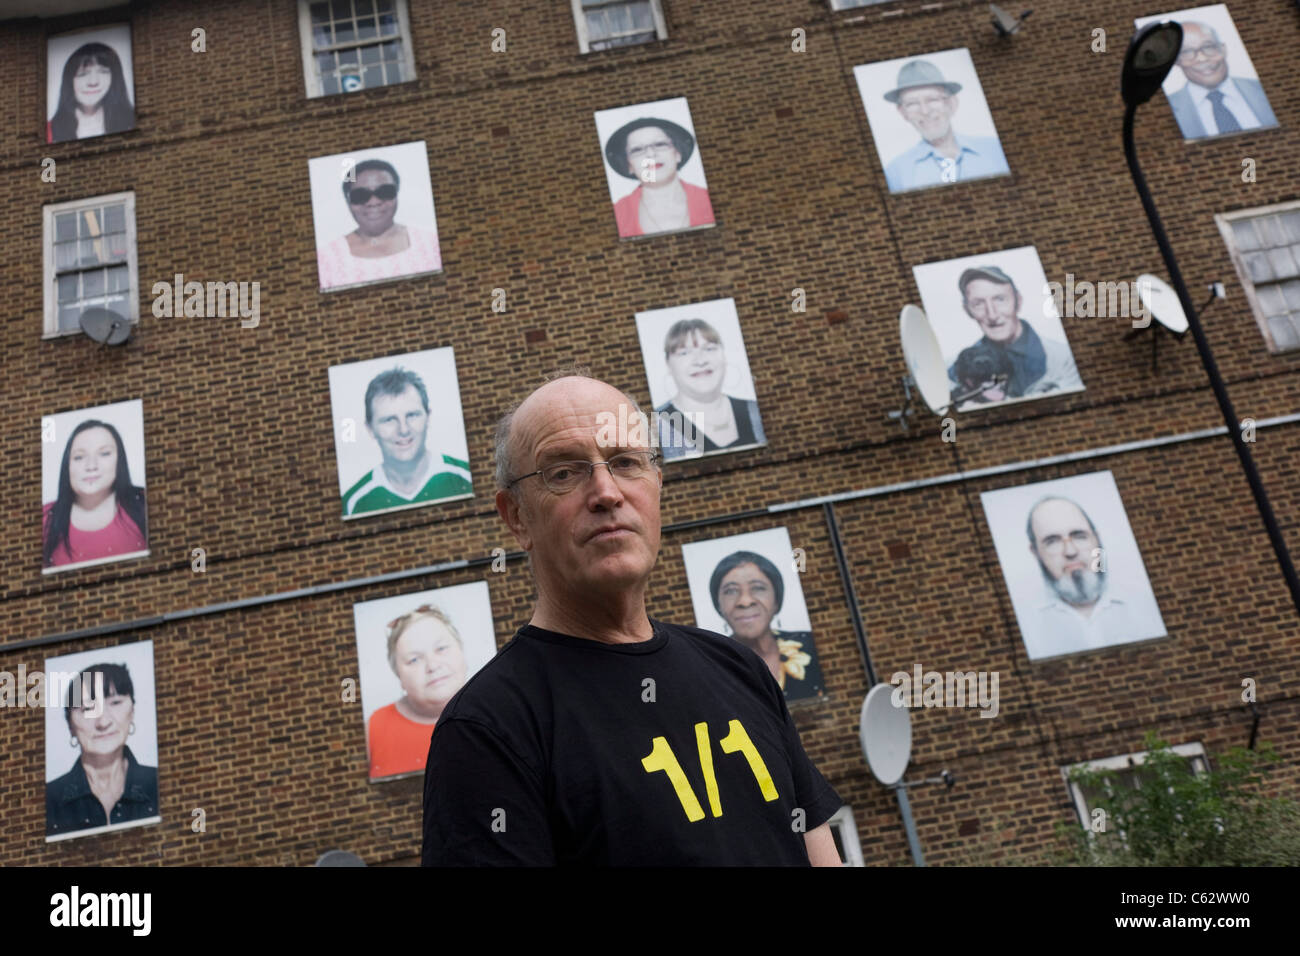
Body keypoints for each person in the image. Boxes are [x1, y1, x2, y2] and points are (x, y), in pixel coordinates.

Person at [422, 370, 842, 865]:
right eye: (563, 472)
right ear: (516, 517)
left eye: (625, 462)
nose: (606, 492)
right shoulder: (486, 729)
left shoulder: (738, 667)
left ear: (657, 483)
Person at [1017, 496, 1166, 659]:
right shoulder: (1026, 624)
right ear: (1036, 552)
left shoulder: (1148, 603)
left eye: (1079, 536)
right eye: (1052, 541)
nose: (1070, 551)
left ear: (1097, 539)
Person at [46, 662, 160, 839]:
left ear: (133, 711)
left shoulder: (159, 783)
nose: (103, 722)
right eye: (87, 708)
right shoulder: (49, 800)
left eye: (115, 702)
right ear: (70, 725)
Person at [342, 367, 473, 516]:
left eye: (412, 415)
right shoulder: (353, 503)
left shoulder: (465, 477)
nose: (403, 430)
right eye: (389, 420)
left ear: (428, 417)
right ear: (370, 429)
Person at [946, 265, 1083, 406]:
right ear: (967, 310)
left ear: (1018, 301)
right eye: (978, 304)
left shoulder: (1063, 359)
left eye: (1000, 299)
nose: (992, 315)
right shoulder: (952, 373)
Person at [367, 605, 471, 779]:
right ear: (398, 675)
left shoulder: (501, 707)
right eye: (414, 659)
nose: (432, 666)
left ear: (462, 652)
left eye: (441, 649)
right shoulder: (374, 730)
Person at [708, 550, 823, 700]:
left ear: (777, 600)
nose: (745, 601)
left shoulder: (808, 646)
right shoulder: (713, 663)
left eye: (758, 588)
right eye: (730, 591)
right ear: (718, 605)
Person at [880, 59, 1009, 192]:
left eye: (932, 100)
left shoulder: (996, 150)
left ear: (952, 104)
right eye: (912, 104)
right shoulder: (896, 172)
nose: (925, 111)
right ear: (903, 112)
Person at [316, 159, 442, 290]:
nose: (373, 202)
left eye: (385, 192)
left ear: (397, 194)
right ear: (348, 201)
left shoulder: (431, 244)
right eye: (360, 195)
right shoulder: (327, 259)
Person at [43, 419, 148, 570]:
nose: (91, 466)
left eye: (104, 453)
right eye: (79, 457)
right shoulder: (45, 518)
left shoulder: (144, 502)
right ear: (67, 465)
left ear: (120, 460)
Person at [653, 318, 765, 460]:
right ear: (668, 364)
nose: (700, 361)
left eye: (709, 348)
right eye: (684, 353)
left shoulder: (753, 410)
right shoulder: (659, 425)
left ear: (724, 355)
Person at [604, 117, 715, 238]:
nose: (650, 154)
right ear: (629, 165)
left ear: (677, 153)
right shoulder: (618, 213)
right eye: (637, 150)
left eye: (660, 144)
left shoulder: (709, 198)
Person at [1164, 21, 1277, 139]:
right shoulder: (1168, 110)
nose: (1202, 58)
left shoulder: (1262, 88)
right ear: (1176, 61)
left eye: (1208, 47)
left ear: (1223, 49)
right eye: (1187, 52)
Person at [47, 41, 136, 143]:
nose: (93, 82)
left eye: (103, 72)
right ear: (69, 81)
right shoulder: (50, 131)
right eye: (83, 74)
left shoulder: (131, 122)